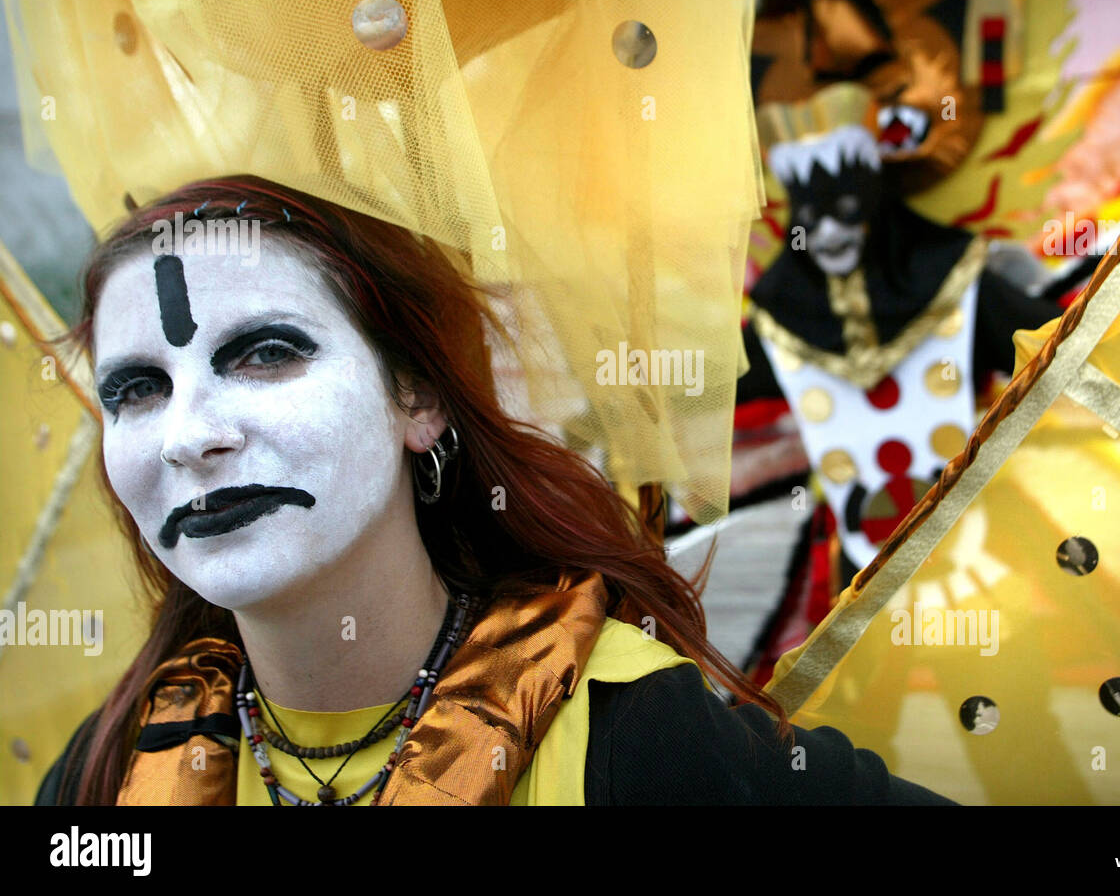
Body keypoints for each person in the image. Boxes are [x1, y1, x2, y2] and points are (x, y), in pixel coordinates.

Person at [33, 173, 955, 806]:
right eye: (136, 389)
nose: (192, 435)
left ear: (418, 397)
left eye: (266, 353)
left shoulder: (631, 735)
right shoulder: (110, 766)